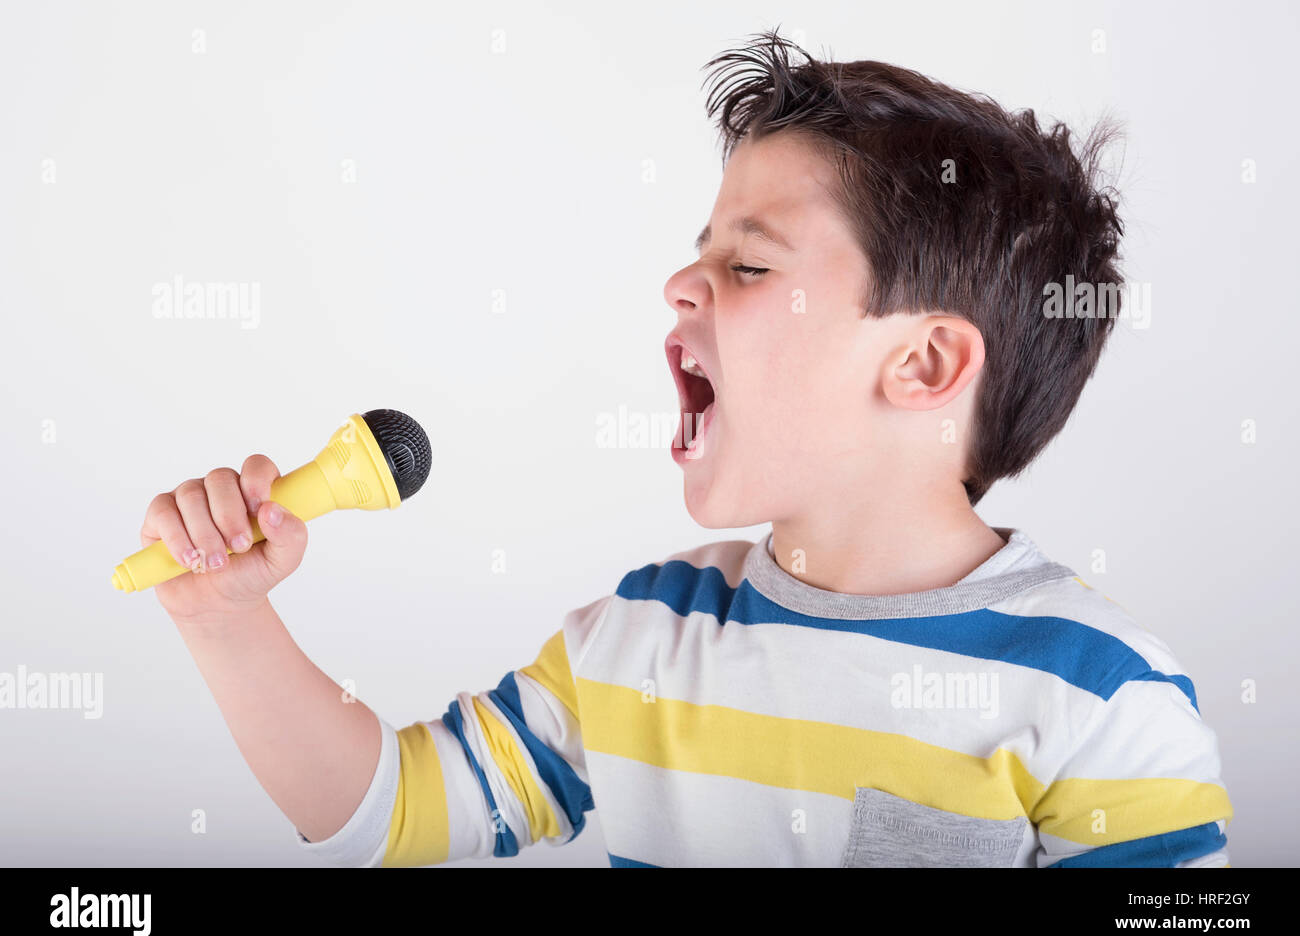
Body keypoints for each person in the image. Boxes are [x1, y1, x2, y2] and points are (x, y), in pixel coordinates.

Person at [136, 29, 1232, 867]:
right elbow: (392, 813)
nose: (680, 284)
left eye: (749, 267)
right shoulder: (637, 641)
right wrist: (227, 617)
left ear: (925, 368)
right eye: (698, 253)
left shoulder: (1107, 701)